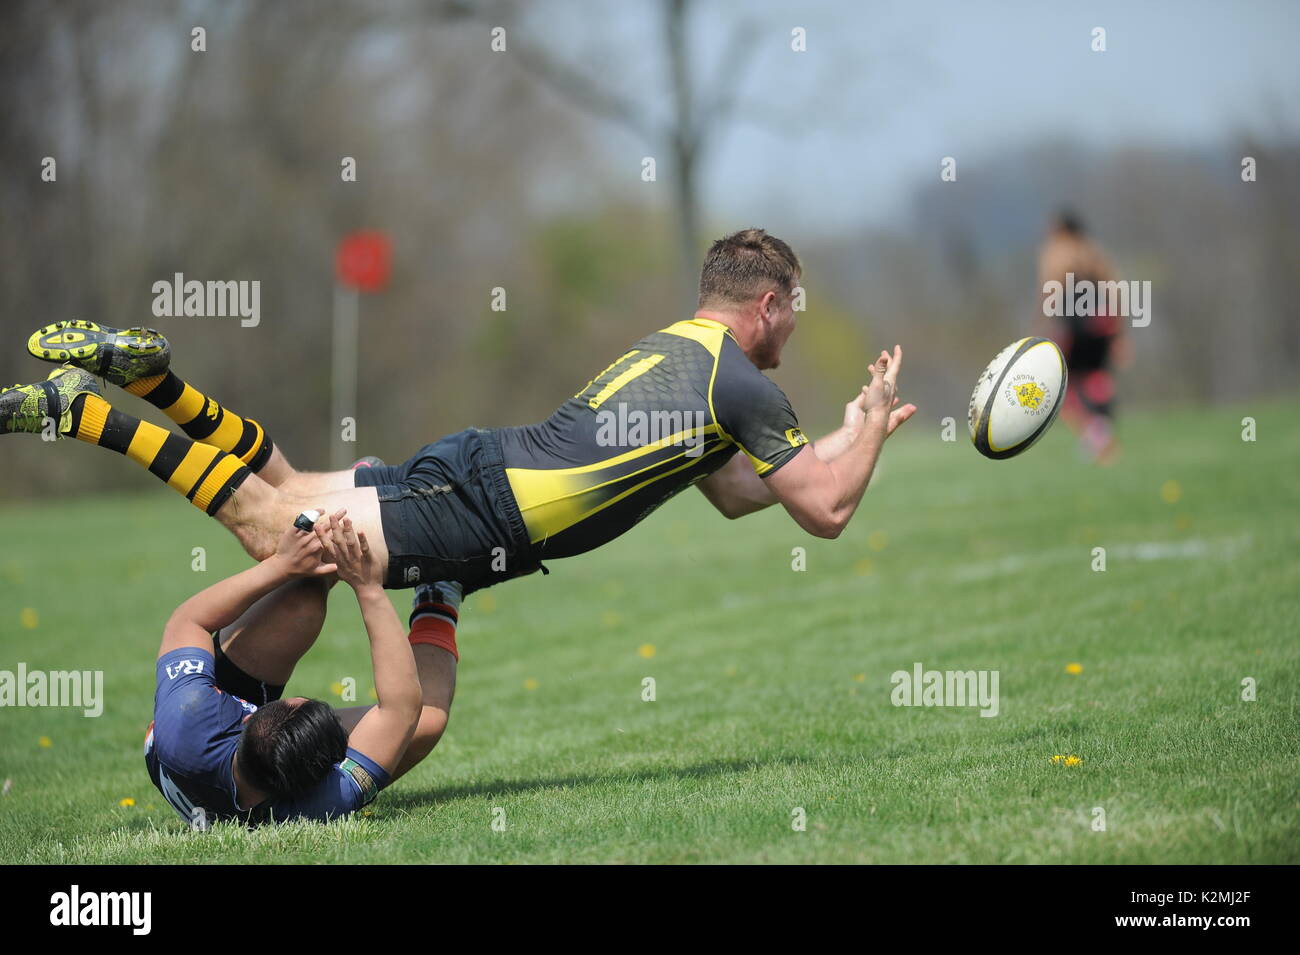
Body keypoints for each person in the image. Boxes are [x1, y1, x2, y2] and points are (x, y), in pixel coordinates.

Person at [2, 229, 916, 593]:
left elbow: (739, 492)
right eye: (794, 305)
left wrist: (850, 428)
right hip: (485, 508)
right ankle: (89, 414)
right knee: (279, 534)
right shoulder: (746, 386)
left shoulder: (681, 351)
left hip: (482, 465)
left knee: (289, 481)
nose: (795, 323)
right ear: (768, 304)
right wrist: (868, 426)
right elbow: (825, 510)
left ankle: (156, 381)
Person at [146, 509, 461, 825]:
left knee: (302, 601)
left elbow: (187, 621)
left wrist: (280, 565)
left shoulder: (191, 714)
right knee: (426, 721)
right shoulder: (325, 801)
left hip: (189, 738)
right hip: (237, 763)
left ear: (248, 717)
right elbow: (402, 708)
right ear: (329, 767)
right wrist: (368, 589)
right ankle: (439, 595)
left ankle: (347, 503)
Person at [1036, 209, 1131, 463]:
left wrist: (1051, 328)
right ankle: (1101, 435)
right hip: (1102, 321)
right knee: (1098, 378)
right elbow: (1113, 287)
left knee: (1060, 385)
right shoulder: (1094, 252)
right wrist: (1119, 334)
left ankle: (1095, 435)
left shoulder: (1057, 253)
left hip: (1074, 324)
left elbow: (1050, 292)